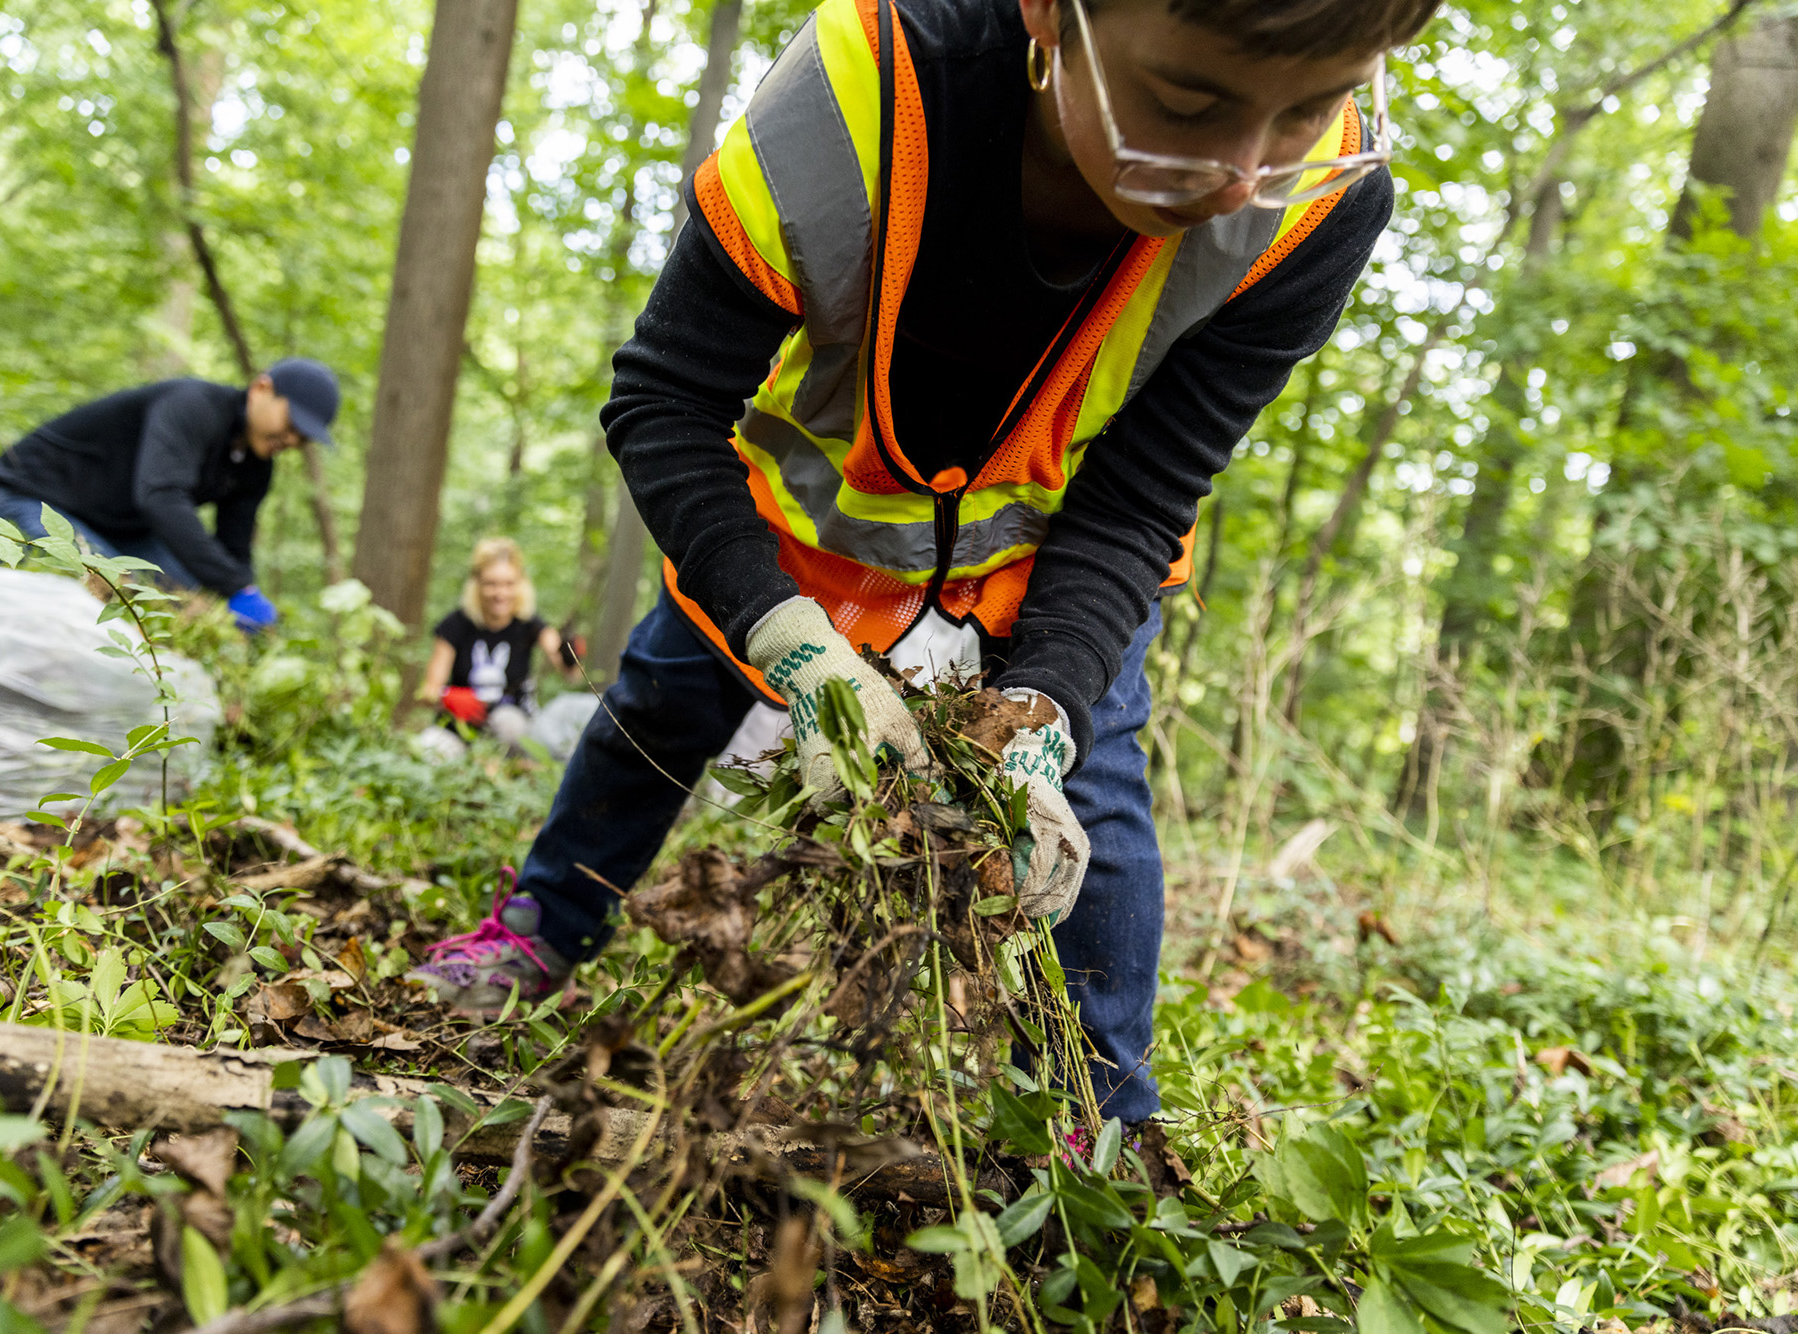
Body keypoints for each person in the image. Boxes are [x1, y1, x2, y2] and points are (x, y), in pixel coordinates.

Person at [412, 0, 1431, 1126]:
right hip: (802, 536)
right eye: (1185, 105)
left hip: (1055, 562)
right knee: (662, 697)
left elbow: (1142, 495)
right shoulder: (853, 96)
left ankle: (1096, 1121)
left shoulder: (1318, 205)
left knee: (1086, 793)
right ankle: (542, 925)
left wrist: (1041, 706)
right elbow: (663, 398)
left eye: (1304, 110)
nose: (1239, 177)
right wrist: (789, 641)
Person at [0, 358, 340, 634]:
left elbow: (233, 550)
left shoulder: (256, 466)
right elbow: (161, 497)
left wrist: (241, 593)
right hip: (24, 498)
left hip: (119, 528)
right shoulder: (193, 405)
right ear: (261, 389)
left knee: (198, 602)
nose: (291, 440)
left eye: (302, 437)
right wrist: (231, 585)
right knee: (121, 592)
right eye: (291, 424)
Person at [415, 538, 578, 749]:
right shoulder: (455, 625)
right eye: (491, 584)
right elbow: (428, 690)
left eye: (509, 584)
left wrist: (570, 655)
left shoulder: (530, 625)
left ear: (520, 585)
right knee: (428, 746)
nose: (500, 594)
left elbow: (570, 672)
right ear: (477, 585)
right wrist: (447, 697)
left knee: (510, 725)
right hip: (459, 726)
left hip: (509, 725)